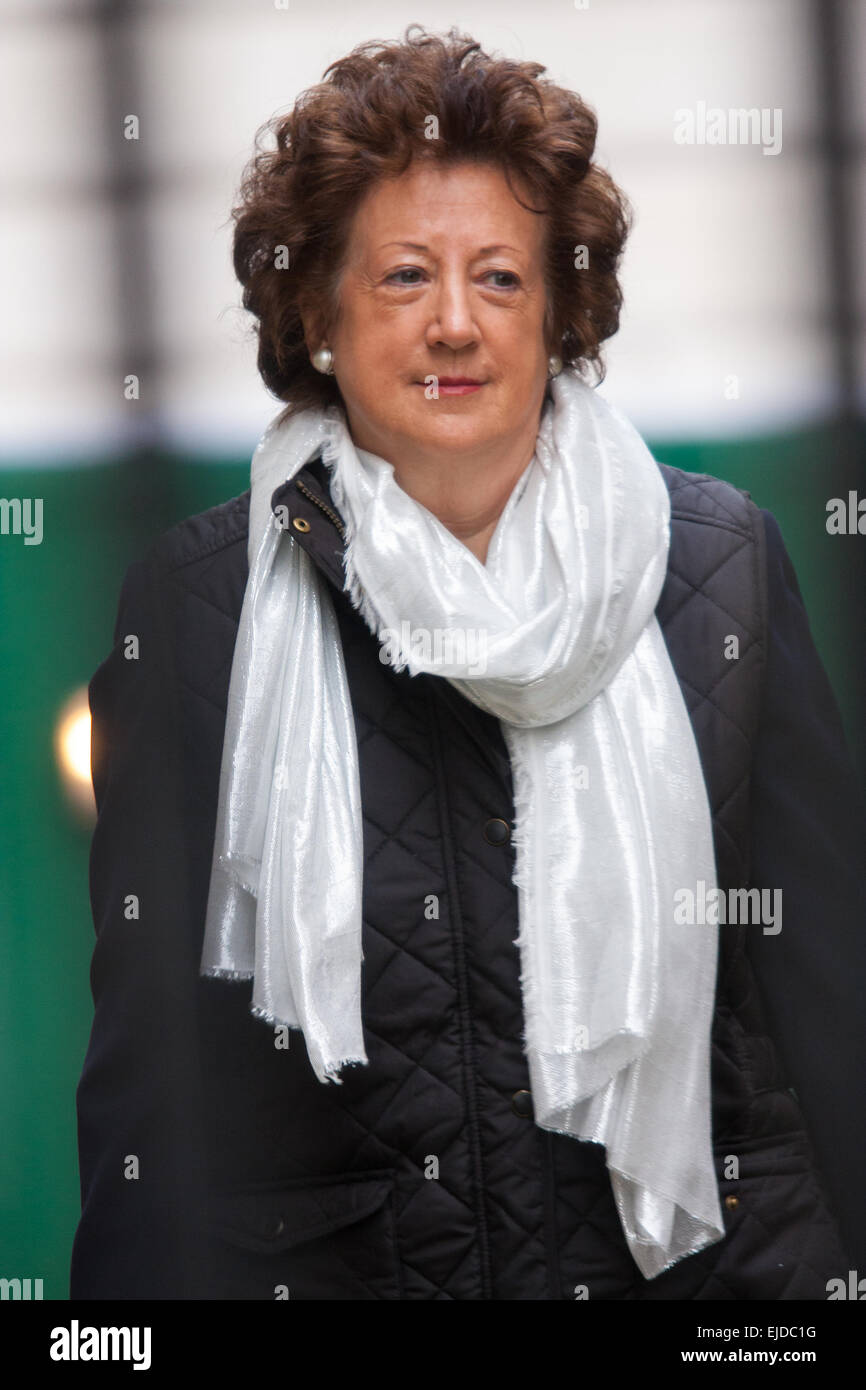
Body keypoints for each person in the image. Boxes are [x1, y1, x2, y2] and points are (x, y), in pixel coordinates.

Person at [71, 25, 866, 1300]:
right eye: (400, 278)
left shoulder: (723, 566)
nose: (453, 323)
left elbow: (832, 1013)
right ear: (316, 312)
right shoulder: (199, 603)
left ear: (559, 310)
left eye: (499, 277)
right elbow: (157, 1087)